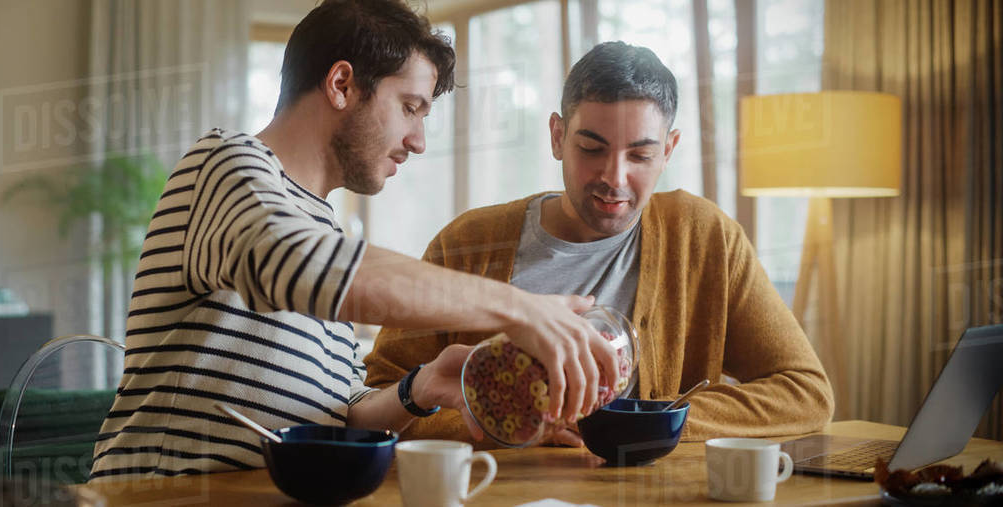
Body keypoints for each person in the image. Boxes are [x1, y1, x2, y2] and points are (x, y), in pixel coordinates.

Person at [90, 0, 622, 480]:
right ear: (341, 85)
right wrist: (519, 310)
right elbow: (298, 265)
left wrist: (422, 386)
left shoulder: (323, 231)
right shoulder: (227, 164)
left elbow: (341, 411)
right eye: (411, 107)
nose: (418, 141)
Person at [365, 41, 835, 447]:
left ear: (668, 151)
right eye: (591, 149)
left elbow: (805, 393)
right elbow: (382, 398)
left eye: (641, 155)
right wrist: (504, 426)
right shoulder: (468, 244)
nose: (614, 178)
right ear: (557, 136)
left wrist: (649, 420)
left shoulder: (704, 238)